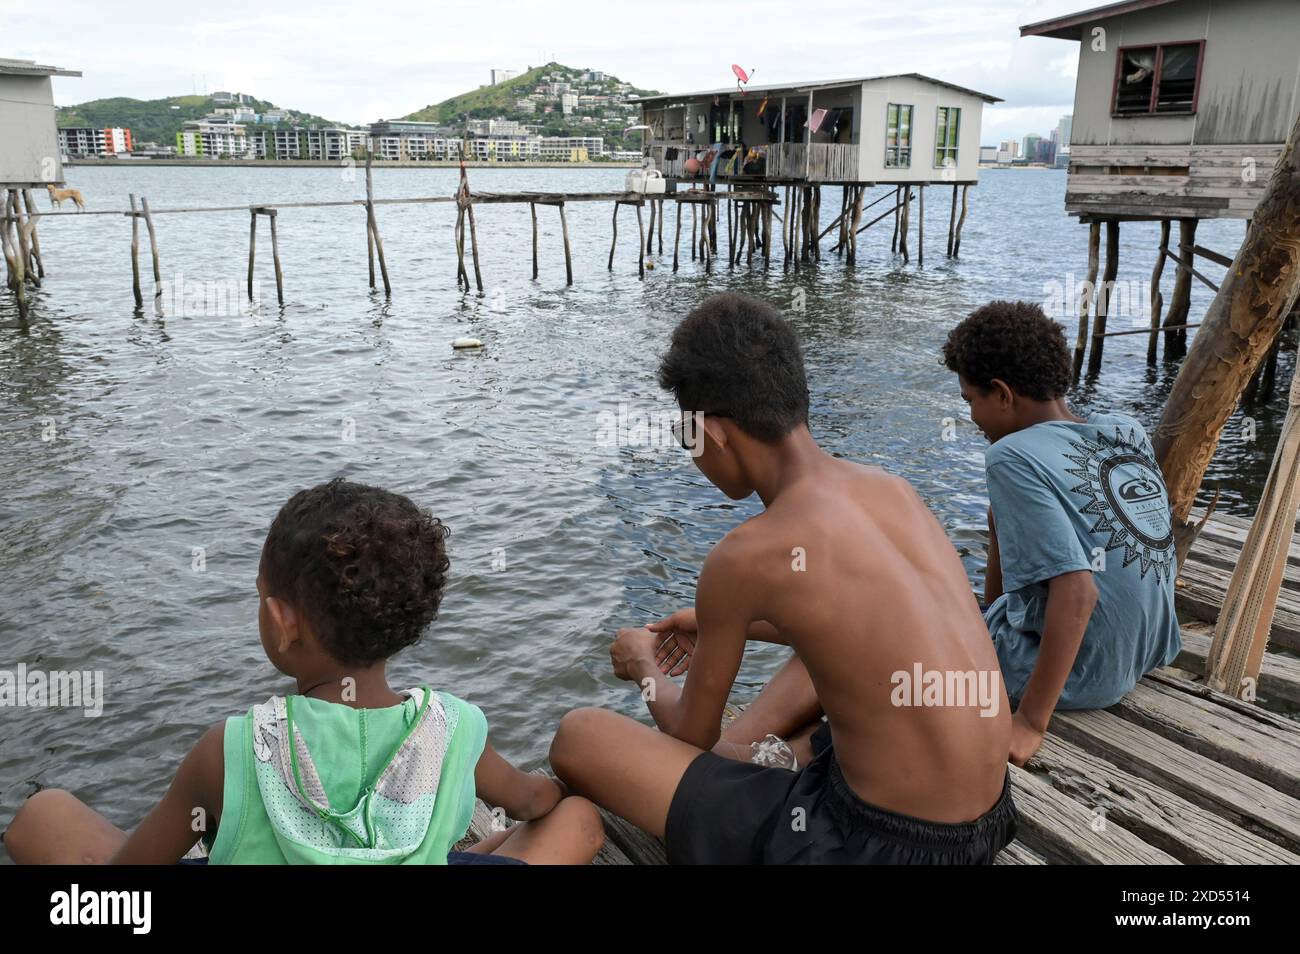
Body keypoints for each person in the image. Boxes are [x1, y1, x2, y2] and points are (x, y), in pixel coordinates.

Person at [549, 292, 1016, 864]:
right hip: (985, 826)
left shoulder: (743, 557)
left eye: (685, 436)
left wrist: (644, 663)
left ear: (716, 432)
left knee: (579, 735)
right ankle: (776, 758)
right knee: (822, 665)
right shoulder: (889, 489)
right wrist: (714, 622)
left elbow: (688, 742)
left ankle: (770, 770)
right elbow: (854, 615)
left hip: (874, 848)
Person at [6, 479, 603, 865]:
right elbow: (531, 799)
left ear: (280, 621)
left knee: (45, 816)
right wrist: (550, 792)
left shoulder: (232, 750)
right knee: (577, 821)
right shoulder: (455, 730)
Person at [942, 301, 1181, 766]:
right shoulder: (1126, 431)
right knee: (982, 586)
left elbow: (1078, 591)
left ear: (1003, 394)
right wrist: (994, 611)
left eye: (971, 401)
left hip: (1085, 675)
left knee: (887, 622)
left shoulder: (1012, 454)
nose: (971, 417)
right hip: (1150, 648)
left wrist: (1030, 721)